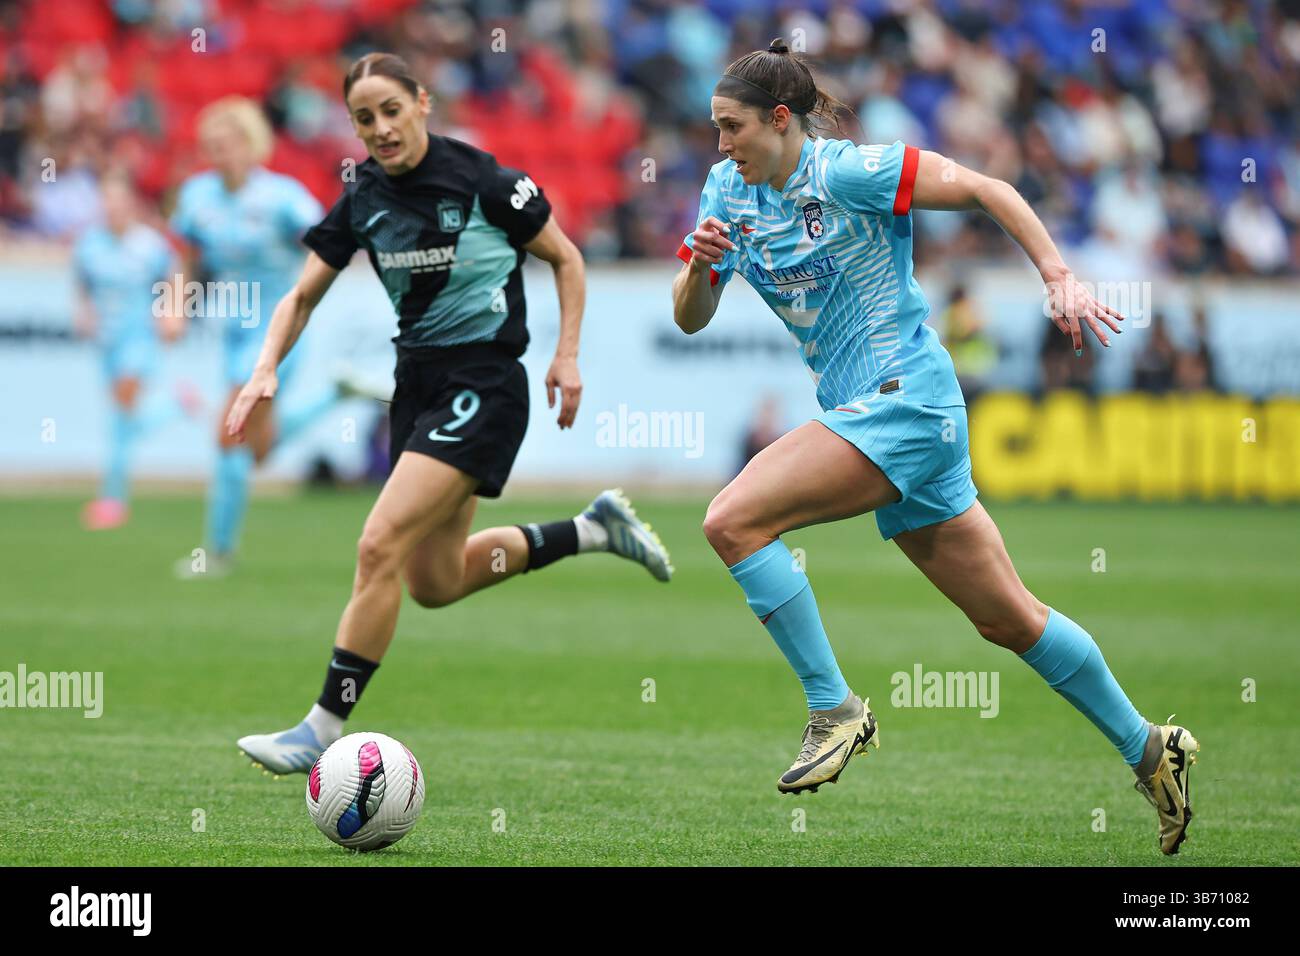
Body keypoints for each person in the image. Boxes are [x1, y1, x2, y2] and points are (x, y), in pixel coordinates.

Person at [672, 39, 1198, 855]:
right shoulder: (726, 189)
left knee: (732, 521)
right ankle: (1148, 747)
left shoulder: (848, 173)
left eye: (731, 127)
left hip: (905, 402)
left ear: (780, 121)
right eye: (715, 128)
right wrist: (700, 271)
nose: (720, 144)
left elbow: (989, 187)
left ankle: (835, 709)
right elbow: (690, 317)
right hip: (889, 416)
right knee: (1008, 620)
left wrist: (1058, 275)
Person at [232, 53, 672, 774]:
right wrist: (263, 370)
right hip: (417, 387)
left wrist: (566, 355)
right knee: (434, 583)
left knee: (378, 545)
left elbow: (566, 259)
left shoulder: (485, 182)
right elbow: (302, 295)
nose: (380, 128)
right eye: (364, 118)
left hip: (485, 384)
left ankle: (320, 728)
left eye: (391, 110)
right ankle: (592, 529)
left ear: (422, 103)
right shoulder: (363, 198)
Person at [169, 97, 342, 578]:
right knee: (256, 451)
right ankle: (335, 394)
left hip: (280, 329)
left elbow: (326, 245)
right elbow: (186, 254)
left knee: (229, 432)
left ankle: (217, 553)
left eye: (226, 145)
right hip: (234, 329)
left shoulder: (282, 198)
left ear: (251, 146)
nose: (217, 155)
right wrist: (175, 307)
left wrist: (304, 299)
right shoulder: (198, 196)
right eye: (211, 147)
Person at [73, 173, 189, 529]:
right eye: (106, 202)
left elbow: (177, 277)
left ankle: (112, 499)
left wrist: (173, 313)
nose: (112, 209)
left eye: (119, 202)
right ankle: (177, 403)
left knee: (122, 416)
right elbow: (83, 284)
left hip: (138, 339)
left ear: (132, 206)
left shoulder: (149, 245)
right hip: (108, 342)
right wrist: (85, 312)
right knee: (124, 420)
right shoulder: (89, 245)